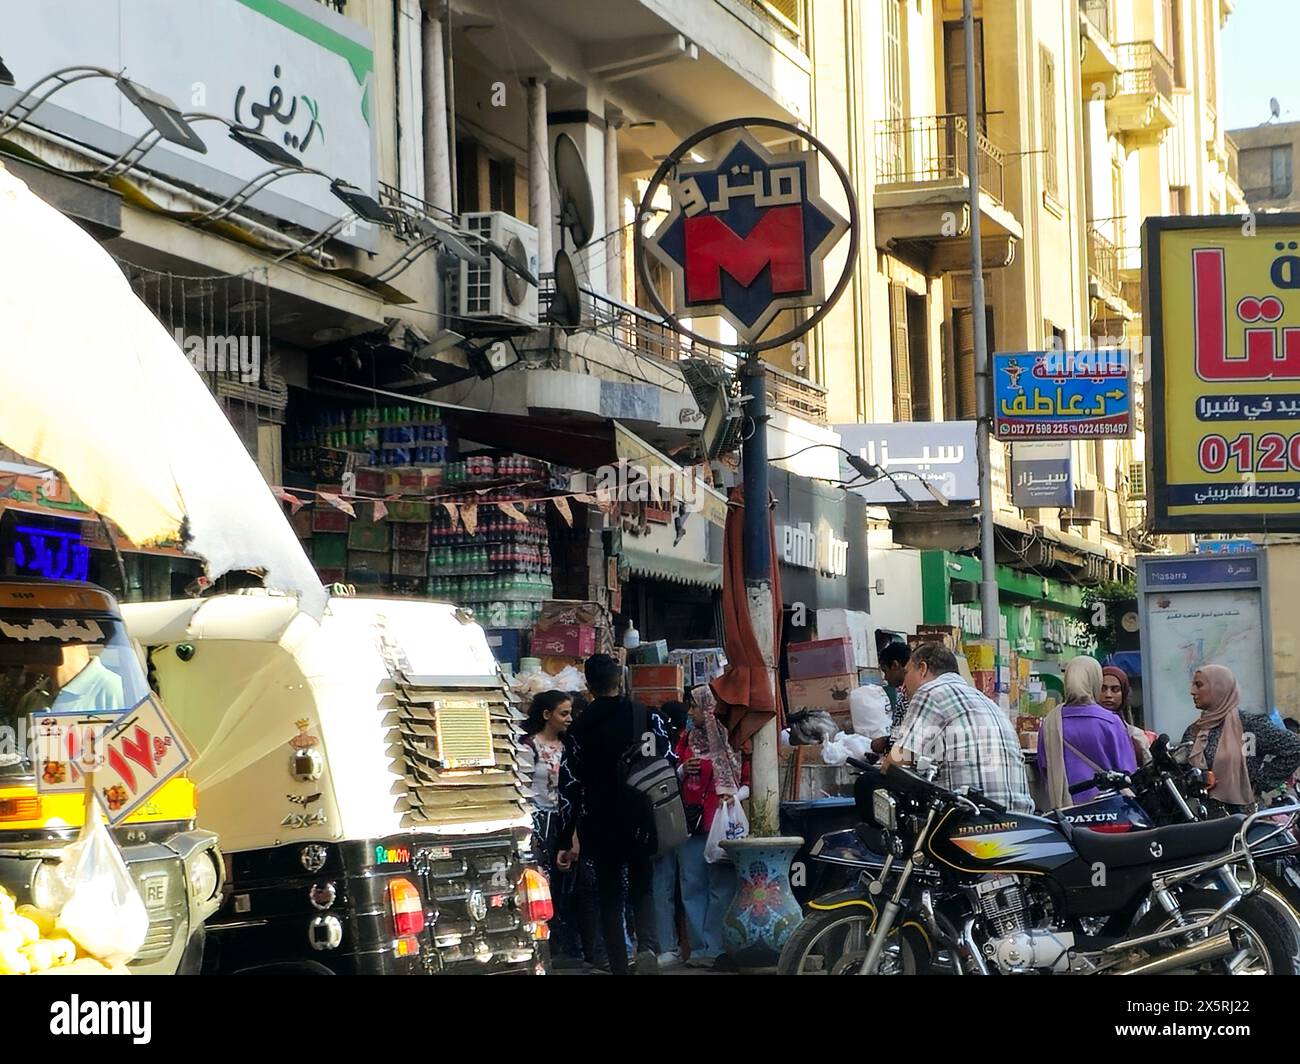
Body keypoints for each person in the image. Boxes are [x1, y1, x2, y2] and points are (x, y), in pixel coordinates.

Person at [566, 653, 671, 975]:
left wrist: (569, 832)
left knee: (610, 893)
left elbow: (571, 782)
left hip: (599, 819)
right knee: (643, 884)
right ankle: (649, 948)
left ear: (588, 685)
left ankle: (617, 965)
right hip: (641, 815)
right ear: (619, 679)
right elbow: (665, 758)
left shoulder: (579, 727)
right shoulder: (644, 716)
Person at [656, 685, 749, 970]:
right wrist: (685, 768)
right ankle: (698, 950)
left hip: (721, 824)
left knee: (721, 887)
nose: (691, 712)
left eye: (695, 707)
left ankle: (717, 947)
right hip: (690, 823)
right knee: (691, 886)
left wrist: (734, 797)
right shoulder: (686, 740)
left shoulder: (732, 740)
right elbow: (673, 772)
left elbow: (747, 781)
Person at [888, 642, 1034, 814]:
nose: (903, 684)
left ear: (922, 669)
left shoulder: (930, 692)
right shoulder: (985, 701)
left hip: (973, 820)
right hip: (1020, 818)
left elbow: (895, 762)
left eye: (907, 672)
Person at [1183, 665, 1300, 813]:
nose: (1192, 691)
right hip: (1200, 819)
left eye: (1199, 685)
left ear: (1219, 688)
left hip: (1242, 820)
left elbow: (1294, 748)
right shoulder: (1195, 731)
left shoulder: (1249, 725)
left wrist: (1259, 782)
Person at [1038, 657, 1139, 809]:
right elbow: (1128, 771)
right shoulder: (1111, 722)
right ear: (1095, 681)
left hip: (1065, 814)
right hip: (1108, 811)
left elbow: (1044, 768)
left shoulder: (1050, 722)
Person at [1099, 665, 1153, 766]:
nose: (1108, 695)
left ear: (1124, 693)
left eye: (1115, 689)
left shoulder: (1136, 736)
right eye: (1103, 689)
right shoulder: (1088, 730)